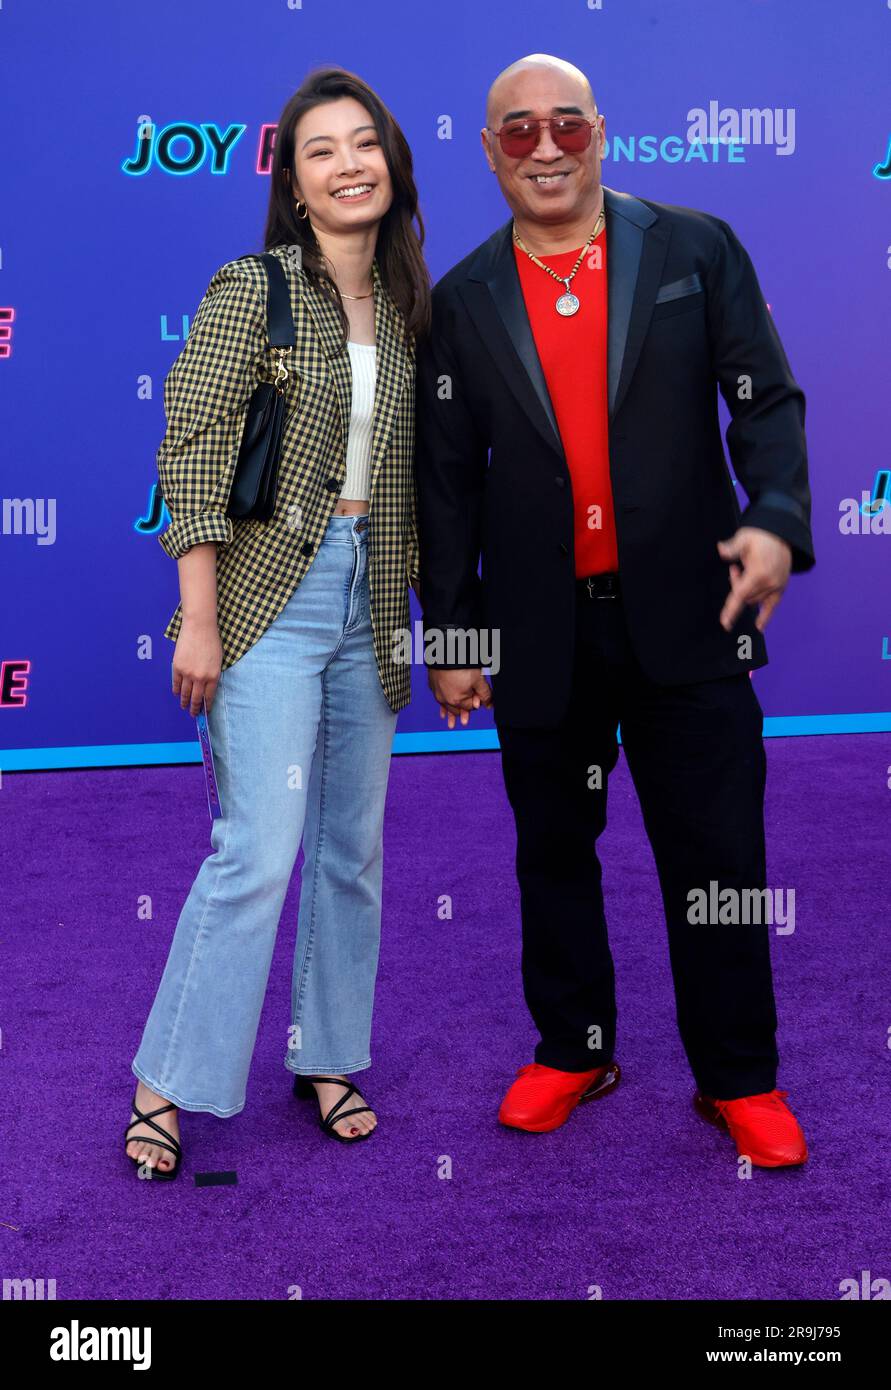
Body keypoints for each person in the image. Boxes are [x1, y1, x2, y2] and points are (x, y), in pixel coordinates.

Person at [415, 54, 814, 1167]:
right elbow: (444, 485)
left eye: (566, 126)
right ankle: (575, 1047)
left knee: (721, 858)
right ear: (490, 150)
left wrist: (776, 517)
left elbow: (764, 398)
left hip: (691, 611)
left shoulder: (695, 246)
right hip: (544, 631)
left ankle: (739, 1076)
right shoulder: (460, 300)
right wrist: (452, 637)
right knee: (554, 847)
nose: (545, 147)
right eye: (518, 131)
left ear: (602, 133)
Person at [125, 67, 429, 1177]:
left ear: (391, 166)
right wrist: (195, 618)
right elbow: (193, 451)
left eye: (365, 144)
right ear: (295, 186)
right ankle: (168, 1083)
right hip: (268, 596)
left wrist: (435, 628)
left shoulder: (406, 308)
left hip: (371, 595)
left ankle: (327, 1054)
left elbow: (417, 483)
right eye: (321, 151)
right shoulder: (252, 287)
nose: (349, 164)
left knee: (352, 847)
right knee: (257, 848)